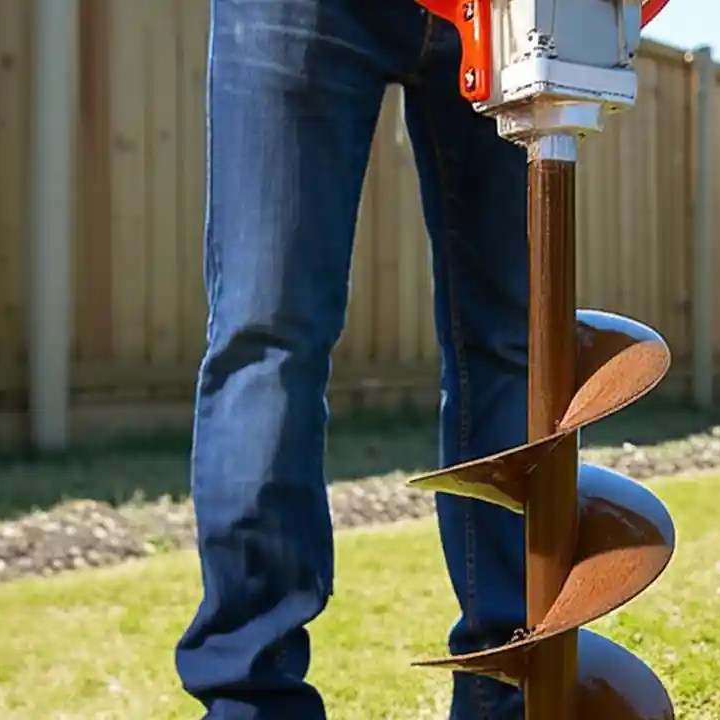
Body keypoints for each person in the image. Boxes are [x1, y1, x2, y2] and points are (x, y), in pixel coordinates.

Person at [173, 1, 529, 718]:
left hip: (509, 15)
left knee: (513, 340)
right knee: (268, 332)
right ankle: (252, 701)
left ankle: (513, 687)